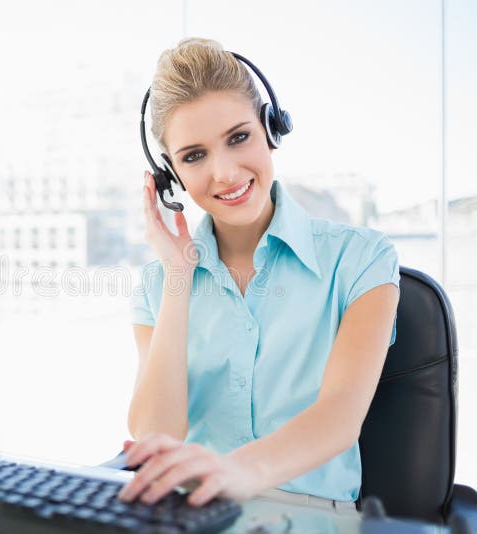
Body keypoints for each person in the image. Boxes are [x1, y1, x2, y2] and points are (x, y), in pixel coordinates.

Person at [118, 38, 400, 511]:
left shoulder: (362, 260)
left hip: (314, 517)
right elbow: (155, 434)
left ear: (271, 130)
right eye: (193, 156)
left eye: (238, 137)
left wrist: (238, 470)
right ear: (170, 176)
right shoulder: (158, 284)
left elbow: (339, 416)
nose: (225, 173)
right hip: (195, 513)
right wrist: (178, 278)